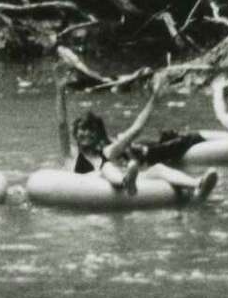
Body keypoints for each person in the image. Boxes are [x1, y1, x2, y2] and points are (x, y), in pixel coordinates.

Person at [57, 69, 218, 202]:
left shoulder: (106, 152)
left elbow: (135, 129)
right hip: (91, 187)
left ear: (97, 135)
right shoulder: (69, 154)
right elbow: (62, 125)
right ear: (76, 133)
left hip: (121, 185)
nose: (86, 133)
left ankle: (198, 183)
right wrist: (60, 91)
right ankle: (124, 181)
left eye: (90, 130)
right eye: (82, 129)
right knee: (106, 167)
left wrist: (154, 99)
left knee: (158, 168)